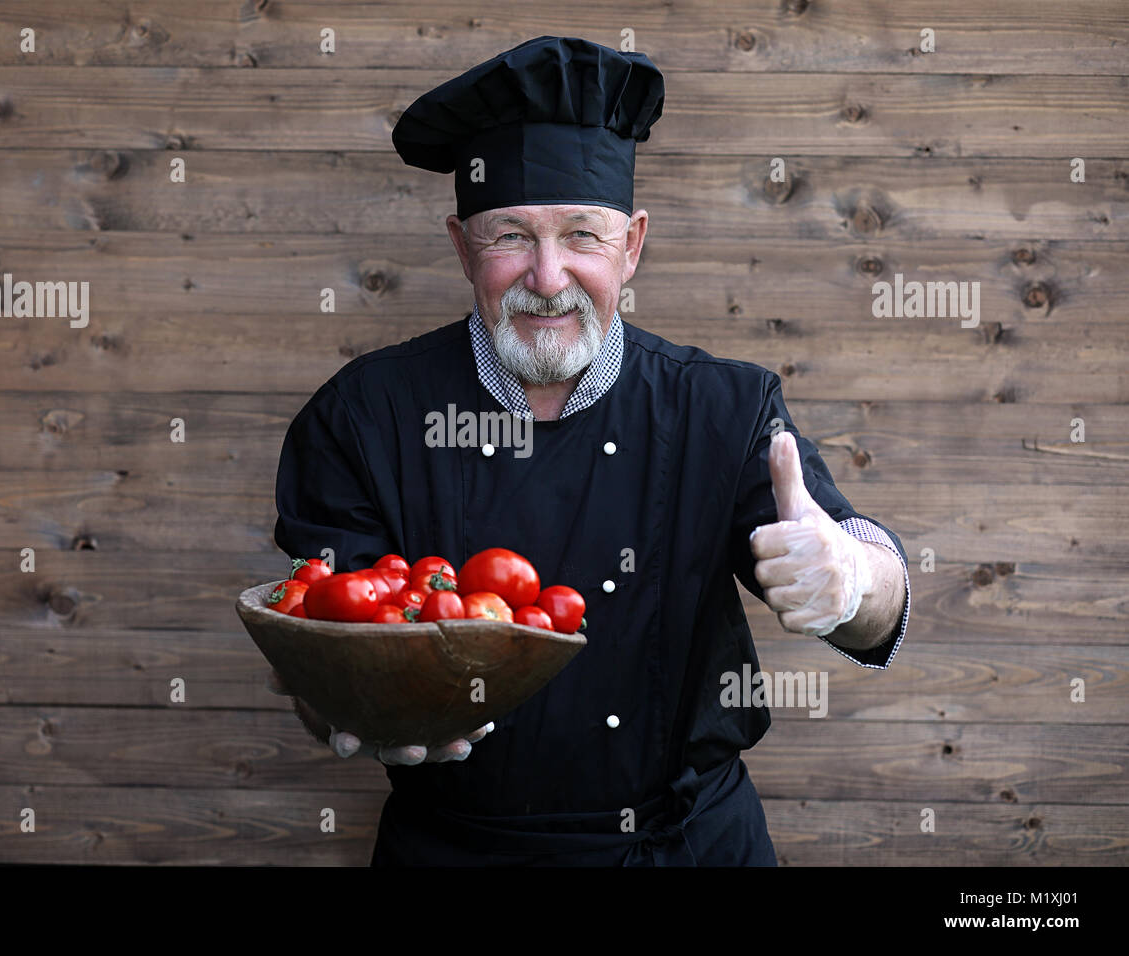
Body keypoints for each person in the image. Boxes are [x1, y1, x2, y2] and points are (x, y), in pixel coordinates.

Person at [271, 35, 910, 866]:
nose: (546, 277)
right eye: (509, 236)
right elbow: (323, 643)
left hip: (686, 847)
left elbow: (870, 604)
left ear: (632, 246)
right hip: (458, 852)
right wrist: (343, 702)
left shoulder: (723, 406)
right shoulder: (363, 417)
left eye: (583, 235)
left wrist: (859, 578)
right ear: (464, 247)